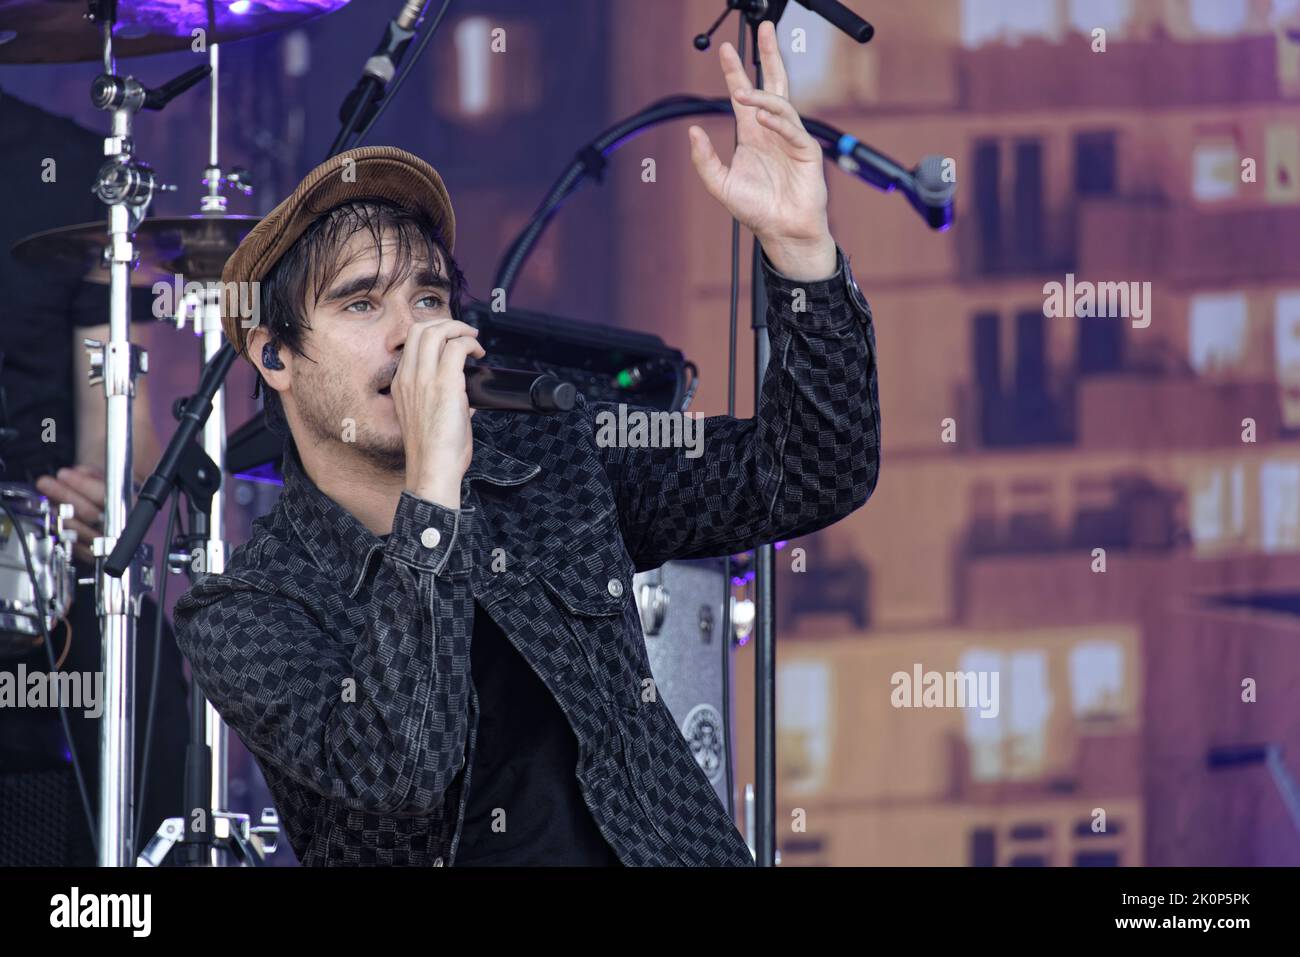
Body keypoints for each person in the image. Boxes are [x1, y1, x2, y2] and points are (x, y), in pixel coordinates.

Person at [172, 23, 881, 866]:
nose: (410, 335)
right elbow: (402, 772)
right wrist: (431, 495)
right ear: (275, 354)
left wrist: (800, 253)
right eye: (363, 305)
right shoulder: (247, 608)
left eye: (429, 299)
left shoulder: (552, 468)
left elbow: (807, 470)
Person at [0, 87, 190, 865]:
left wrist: (103, 497)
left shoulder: (70, 169)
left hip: (32, 552)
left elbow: (122, 431)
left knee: (139, 692)